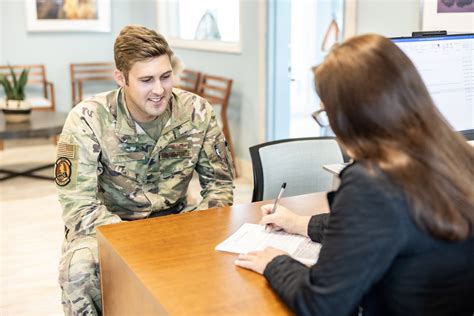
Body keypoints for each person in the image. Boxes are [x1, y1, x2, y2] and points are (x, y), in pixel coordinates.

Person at [235, 34, 474, 315]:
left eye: (327, 114)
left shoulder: (373, 182)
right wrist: (300, 224)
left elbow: (322, 304)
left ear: (350, 117)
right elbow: (383, 226)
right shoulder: (455, 156)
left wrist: (276, 263)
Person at [57, 24, 235, 315]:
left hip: (178, 221)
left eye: (166, 76)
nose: (159, 90)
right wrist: (141, 244)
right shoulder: (87, 119)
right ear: (121, 78)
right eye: (146, 80)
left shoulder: (197, 111)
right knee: (78, 269)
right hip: (110, 227)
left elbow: (220, 185)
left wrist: (198, 227)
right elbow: (79, 207)